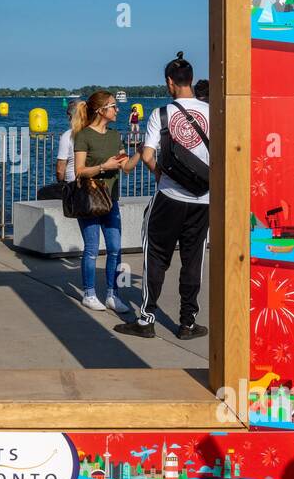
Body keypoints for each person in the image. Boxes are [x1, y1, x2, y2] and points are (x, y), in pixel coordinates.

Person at [115, 52, 211, 340]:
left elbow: (146, 155)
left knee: (156, 257)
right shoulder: (214, 112)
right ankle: (187, 322)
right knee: (193, 261)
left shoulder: (160, 114)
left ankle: (146, 319)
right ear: (191, 80)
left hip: (169, 196)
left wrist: (160, 173)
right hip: (203, 200)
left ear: (170, 82)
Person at [72, 90, 140, 312]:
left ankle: (113, 294)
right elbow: (79, 171)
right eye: (113, 106)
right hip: (90, 200)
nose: (117, 109)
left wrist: (141, 152)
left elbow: (126, 168)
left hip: (111, 200)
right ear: (101, 110)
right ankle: (89, 293)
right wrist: (104, 167)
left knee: (115, 248)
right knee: (91, 249)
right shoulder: (84, 136)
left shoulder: (115, 136)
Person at [55, 99, 79, 182]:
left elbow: (60, 170)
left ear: (69, 116)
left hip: (72, 184)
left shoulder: (67, 136)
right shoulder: (92, 132)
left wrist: (60, 183)